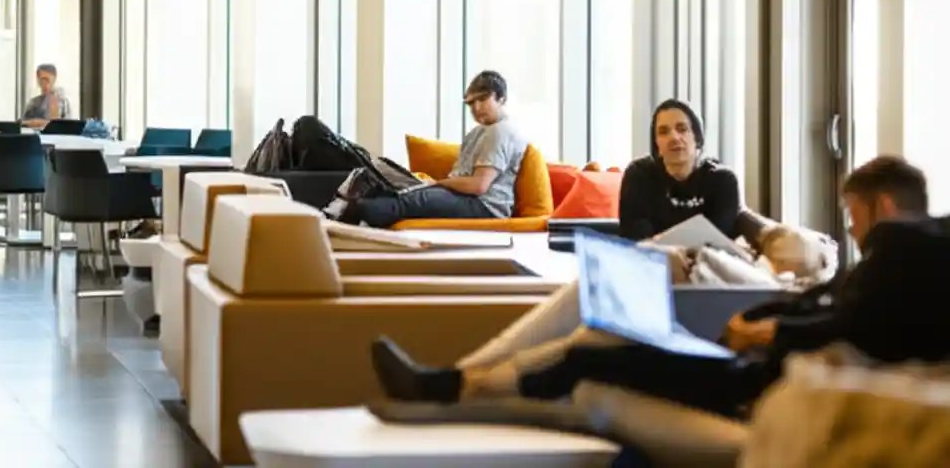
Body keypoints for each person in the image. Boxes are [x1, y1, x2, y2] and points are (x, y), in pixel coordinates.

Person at [371, 156, 950, 419]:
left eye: (853, 213)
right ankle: (449, 385)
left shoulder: (901, 255)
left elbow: (854, 324)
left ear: (885, 207)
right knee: (592, 348)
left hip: (748, 385)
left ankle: (447, 391)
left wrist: (770, 328)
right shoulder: (880, 267)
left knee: (589, 360)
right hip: (743, 363)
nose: (848, 227)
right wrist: (767, 316)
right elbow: (820, 305)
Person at [336, 70, 528, 228]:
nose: (476, 108)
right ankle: (352, 208)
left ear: (501, 98)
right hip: (463, 197)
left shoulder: (500, 131)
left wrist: (440, 184)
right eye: (471, 104)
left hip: (484, 207)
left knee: (404, 202)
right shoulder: (478, 132)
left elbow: (478, 186)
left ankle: (350, 216)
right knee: (392, 183)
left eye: (483, 99)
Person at [618, 98, 741, 241]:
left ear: (697, 138)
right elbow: (634, 237)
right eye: (663, 132)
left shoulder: (722, 180)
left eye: (682, 129)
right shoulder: (638, 175)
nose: (674, 137)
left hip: (704, 260)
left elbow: (719, 237)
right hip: (652, 260)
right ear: (656, 144)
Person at [21, 63, 72, 129]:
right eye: (42, 80)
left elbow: (67, 126)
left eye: (48, 80)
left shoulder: (63, 103)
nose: (45, 84)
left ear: (54, 80)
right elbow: (22, 123)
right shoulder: (34, 102)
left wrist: (39, 122)